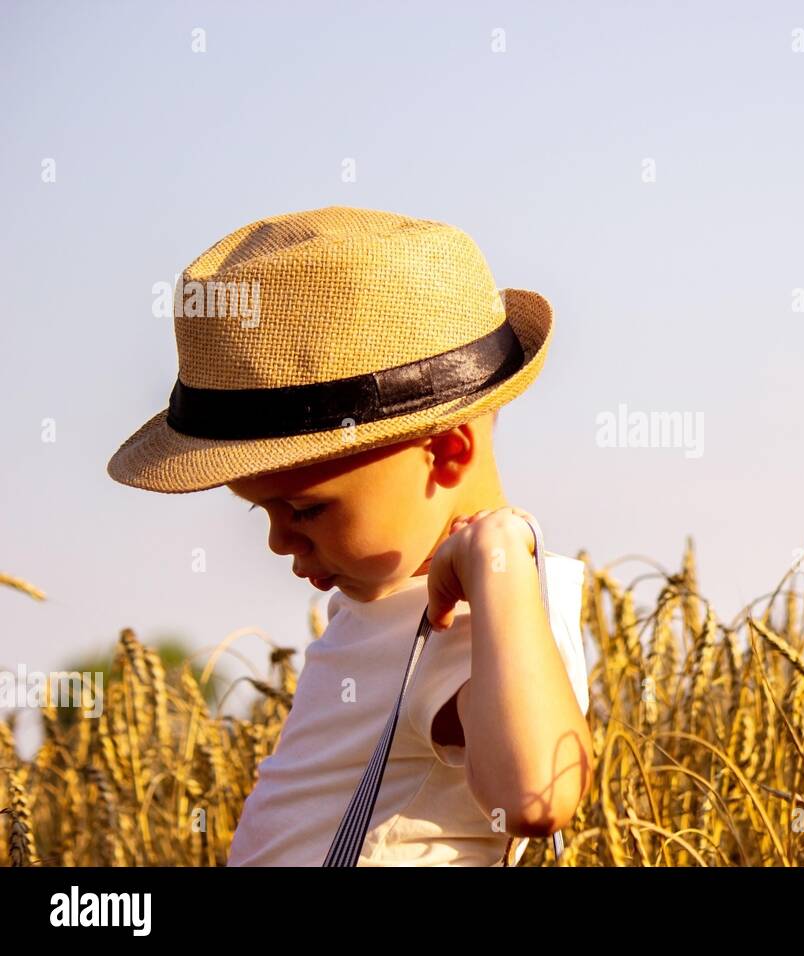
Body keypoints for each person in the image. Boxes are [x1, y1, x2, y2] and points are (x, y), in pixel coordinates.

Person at [106, 205, 592, 865]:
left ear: (447, 454)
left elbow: (537, 796)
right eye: (265, 513)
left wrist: (500, 558)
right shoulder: (391, 600)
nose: (280, 543)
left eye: (305, 510)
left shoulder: (472, 618)